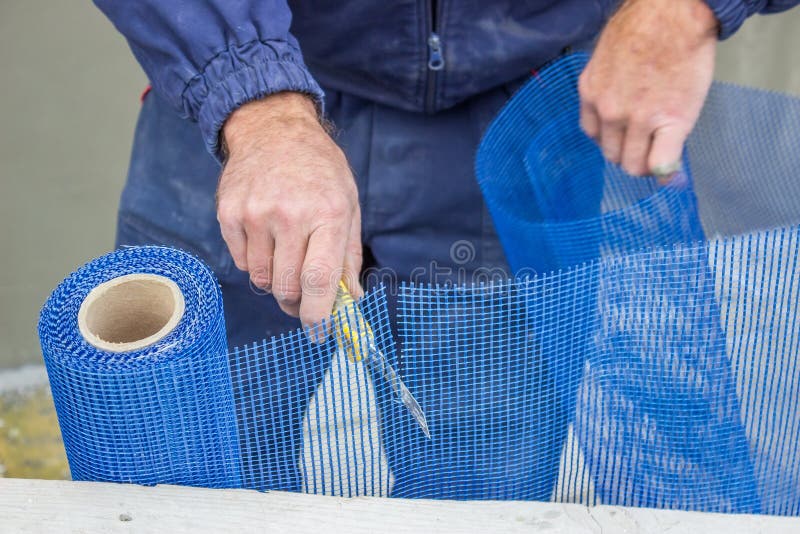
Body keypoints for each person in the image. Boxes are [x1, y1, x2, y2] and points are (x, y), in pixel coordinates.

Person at [95, 0, 798, 493]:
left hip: (521, 103)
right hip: (230, 100)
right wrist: (252, 100)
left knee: (480, 489)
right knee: (175, 473)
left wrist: (680, 8)